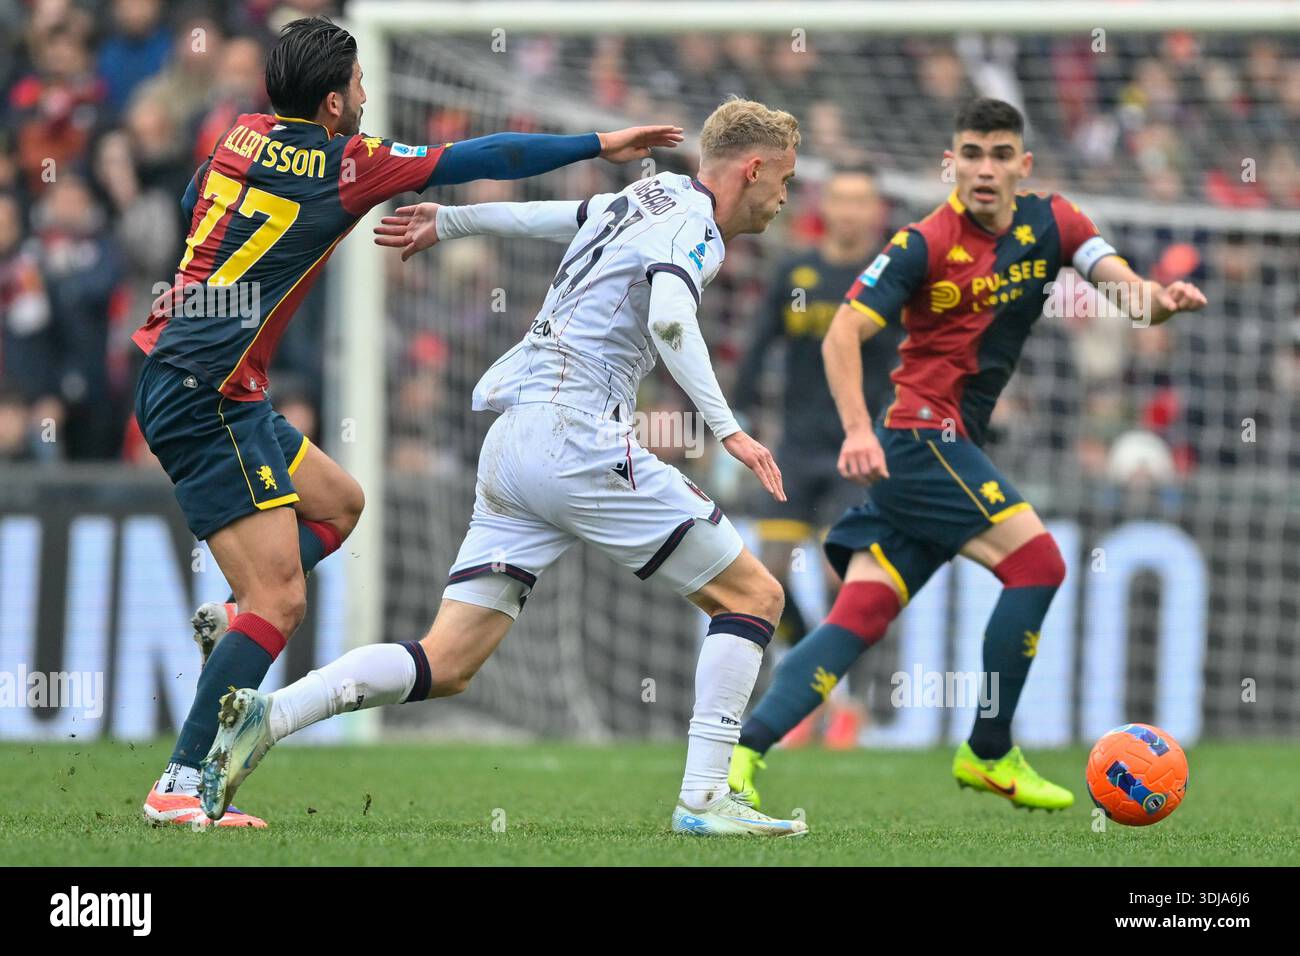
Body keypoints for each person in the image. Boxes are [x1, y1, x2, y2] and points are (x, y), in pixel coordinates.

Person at [201, 98, 809, 838]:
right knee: (754, 596)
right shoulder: (694, 226)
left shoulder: (651, 195)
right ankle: (707, 799)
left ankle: (273, 713)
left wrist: (451, 221)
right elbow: (670, 319)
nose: (784, 198)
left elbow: (559, 216)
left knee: (449, 658)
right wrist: (731, 431)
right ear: (752, 169)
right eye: (784, 179)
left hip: (514, 439)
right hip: (575, 434)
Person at [136, 15, 682, 828]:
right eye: (356, 84)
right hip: (204, 391)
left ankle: (231, 616)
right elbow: (483, 157)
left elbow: (193, 201)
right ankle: (179, 785)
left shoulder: (241, 133)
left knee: (340, 503)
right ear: (331, 103)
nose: (366, 93)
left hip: (202, 375)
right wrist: (599, 144)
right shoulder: (346, 164)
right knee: (280, 602)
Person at [729, 97, 1207, 813]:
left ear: (1024, 165)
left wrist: (1160, 301)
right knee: (1037, 564)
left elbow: (1131, 298)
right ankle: (989, 751)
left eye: (1000, 155)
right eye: (972, 156)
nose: (985, 170)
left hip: (945, 445)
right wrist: (859, 429)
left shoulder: (1058, 222)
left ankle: (736, 757)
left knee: (858, 616)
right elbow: (840, 337)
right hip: (922, 436)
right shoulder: (922, 243)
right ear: (951, 163)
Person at [732, 164, 902, 748]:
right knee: (769, 578)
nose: (851, 211)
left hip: (861, 449)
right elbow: (759, 345)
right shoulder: (796, 270)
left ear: (876, 211)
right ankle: (813, 693)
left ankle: (846, 702)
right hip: (796, 447)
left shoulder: (891, 276)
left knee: (840, 574)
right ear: (826, 206)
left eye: (862, 200)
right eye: (842, 199)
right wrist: (733, 417)